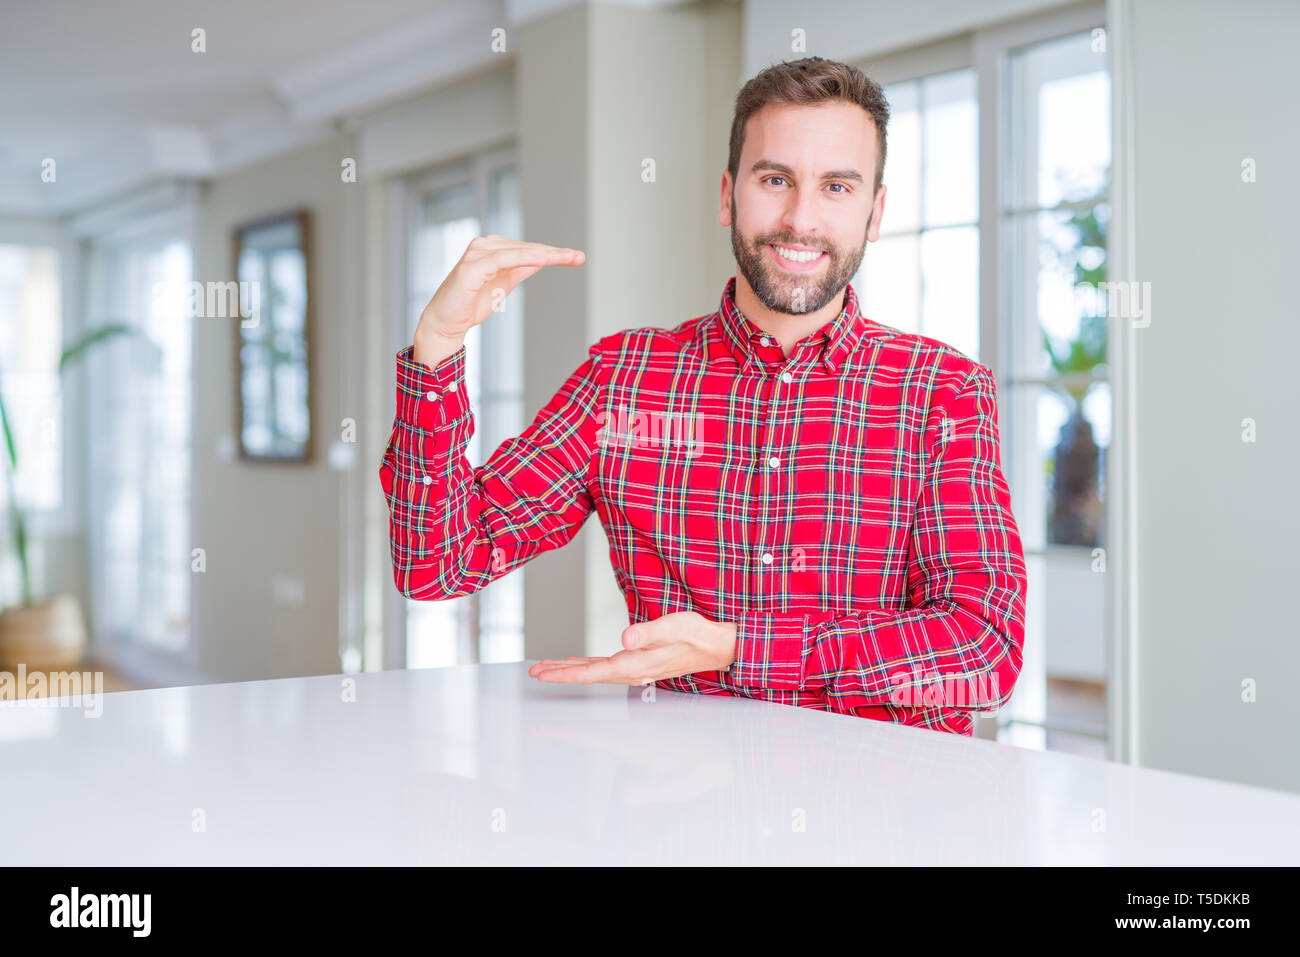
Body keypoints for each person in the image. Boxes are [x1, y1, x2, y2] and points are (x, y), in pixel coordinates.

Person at [380, 56, 1028, 737]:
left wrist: (738, 647)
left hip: (881, 827)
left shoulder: (941, 392)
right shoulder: (622, 380)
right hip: (682, 819)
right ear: (728, 195)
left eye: (837, 186)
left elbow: (986, 652)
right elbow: (436, 562)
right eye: (775, 179)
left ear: (874, 212)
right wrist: (439, 345)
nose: (800, 218)